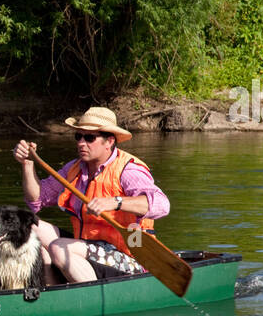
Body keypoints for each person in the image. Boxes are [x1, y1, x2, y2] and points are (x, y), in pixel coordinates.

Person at [13, 106, 170, 284]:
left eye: (89, 138)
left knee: (58, 247)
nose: (81, 143)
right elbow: (37, 199)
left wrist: (115, 202)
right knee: (29, 226)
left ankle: (90, 296)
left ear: (109, 141)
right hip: (89, 248)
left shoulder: (128, 169)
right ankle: (51, 290)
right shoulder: (74, 169)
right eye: (78, 136)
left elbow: (162, 205)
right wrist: (27, 164)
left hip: (130, 259)